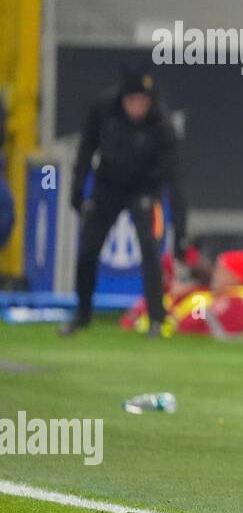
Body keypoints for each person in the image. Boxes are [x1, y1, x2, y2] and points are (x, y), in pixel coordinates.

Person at [61, 65, 187, 337]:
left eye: (143, 101)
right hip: (107, 186)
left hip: (145, 189)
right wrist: (78, 188)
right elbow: (87, 147)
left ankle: (156, 318)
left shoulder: (163, 126)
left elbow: (175, 179)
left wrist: (181, 228)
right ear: (123, 99)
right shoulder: (104, 108)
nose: (138, 107)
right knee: (87, 250)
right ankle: (82, 314)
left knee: (150, 250)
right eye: (133, 101)